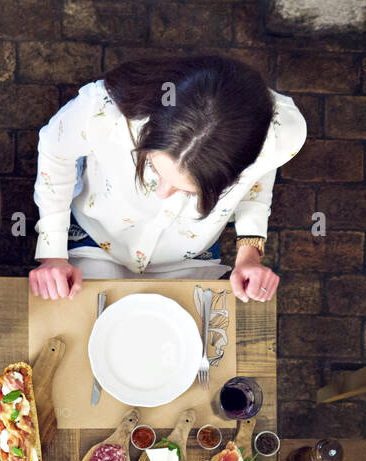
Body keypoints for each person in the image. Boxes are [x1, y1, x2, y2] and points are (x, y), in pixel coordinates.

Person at [28, 55, 305, 304]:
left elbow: (259, 174)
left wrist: (250, 253)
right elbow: (55, 151)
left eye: (188, 192)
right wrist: (52, 252)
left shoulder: (283, 134)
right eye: (153, 167)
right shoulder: (100, 112)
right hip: (97, 239)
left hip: (190, 255)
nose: (161, 193)